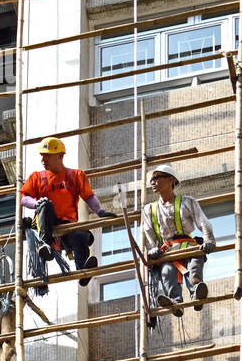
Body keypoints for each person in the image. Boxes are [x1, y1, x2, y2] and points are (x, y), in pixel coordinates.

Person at [20, 137, 116, 287]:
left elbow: (88, 196)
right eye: (42, 156)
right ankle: (45, 245)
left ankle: (83, 271)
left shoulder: (76, 176)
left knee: (80, 235)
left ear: (59, 156)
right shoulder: (37, 177)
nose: (43, 160)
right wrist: (36, 203)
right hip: (47, 225)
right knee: (45, 204)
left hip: (67, 228)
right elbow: (24, 199)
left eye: (47, 155)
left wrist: (101, 212)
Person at [139, 165, 216, 321]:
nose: (152, 182)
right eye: (151, 179)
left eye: (156, 178)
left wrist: (209, 239)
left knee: (194, 263)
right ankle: (175, 302)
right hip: (167, 251)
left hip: (188, 245)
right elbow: (148, 233)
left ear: (170, 180)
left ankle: (197, 293)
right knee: (167, 272)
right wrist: (152, 250)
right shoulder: (149, 209)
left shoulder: (187, 202)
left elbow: (203, 221)